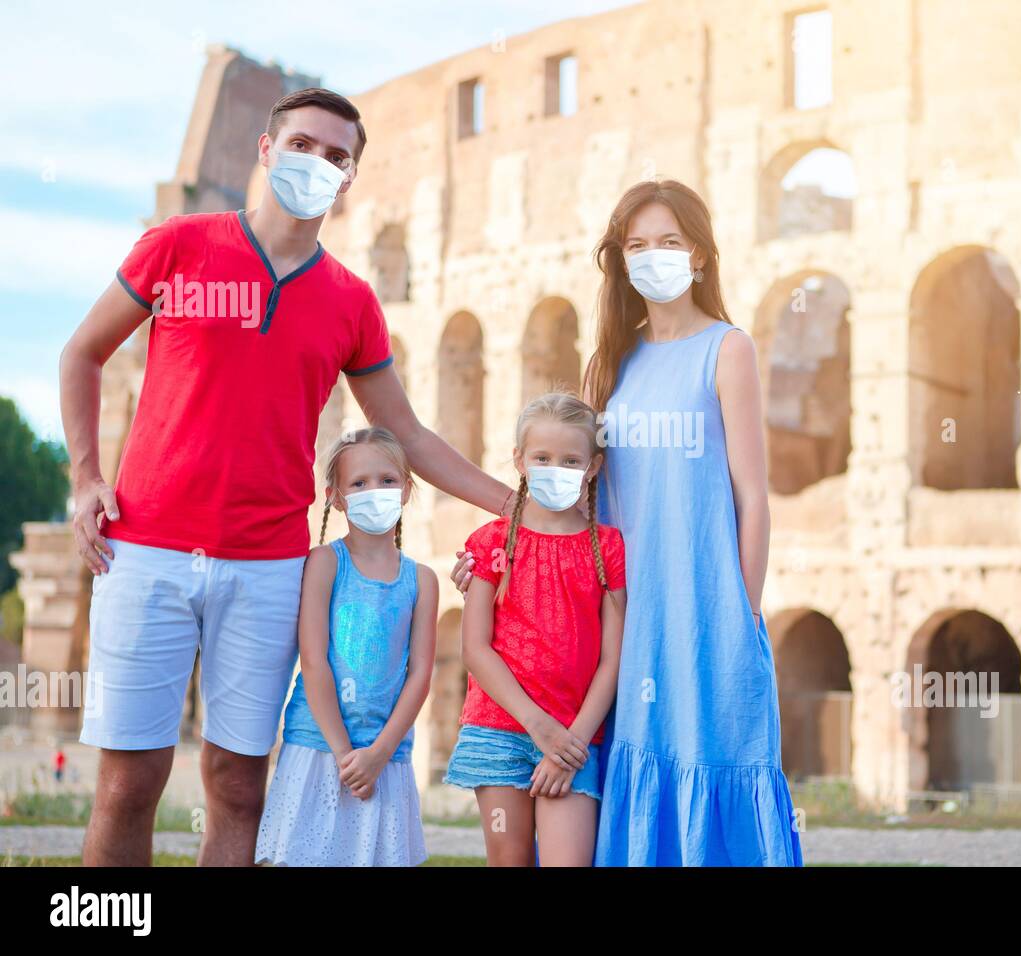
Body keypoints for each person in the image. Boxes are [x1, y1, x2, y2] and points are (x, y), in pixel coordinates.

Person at [61, 87, 518, 866]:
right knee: (126, 784)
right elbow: (82, 352)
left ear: (349, 182)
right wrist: (83, 475)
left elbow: (405, 433)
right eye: (303, 145)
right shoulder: (178, 245)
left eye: (338, 158)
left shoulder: (350, 301)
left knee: (238, 784)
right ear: (267, 152)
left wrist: (515, 506)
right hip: (147, 549)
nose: (318, 164)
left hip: (269, 566)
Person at [454, 179, 802, 865]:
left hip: (704, 608)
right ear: (620, 259)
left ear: (698, 255)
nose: (653, 257)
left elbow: (752, 495)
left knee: (712, 756)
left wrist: (744, 607)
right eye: (637, 244)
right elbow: (566, 495)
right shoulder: (609, 363)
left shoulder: (728, 350)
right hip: (615, 609)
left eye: (669, 242)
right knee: (629, 769)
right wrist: (500, 553)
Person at [443, 392, 626, 866]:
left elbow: (612, 659)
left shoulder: (608, 548)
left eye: (570, 460)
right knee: (510, 858)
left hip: (574, 737)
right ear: (520, 460)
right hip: (500, 728)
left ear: (592, 467)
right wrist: (537, 725)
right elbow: (476, 649)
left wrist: (572, 741)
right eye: (542, 458)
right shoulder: (491, 542)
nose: (555, 468)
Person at [256, 428, 436, 866]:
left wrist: (378, 755)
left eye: (387, 480)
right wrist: (344, 754)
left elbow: (420, 675)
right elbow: (314, 661)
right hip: (320, 748)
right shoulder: (324, 563)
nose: (375, 491)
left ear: (407, 489)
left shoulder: (422, 581)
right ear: (336, 497)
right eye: (359, 483)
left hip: (385, 757)